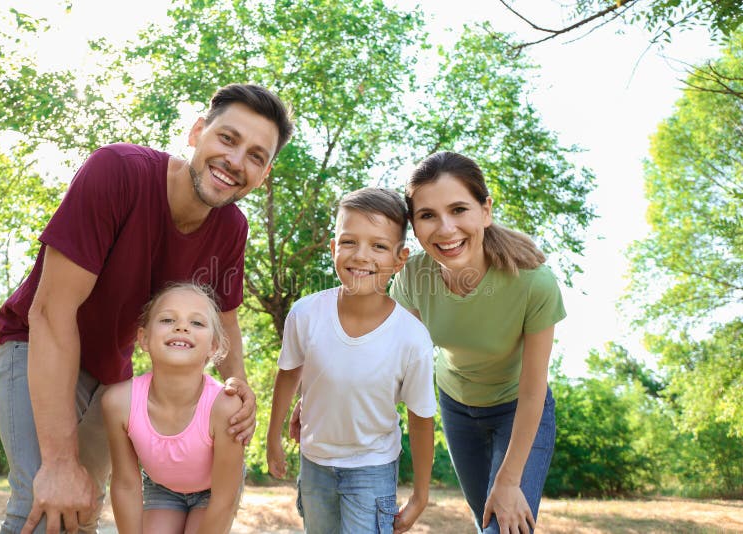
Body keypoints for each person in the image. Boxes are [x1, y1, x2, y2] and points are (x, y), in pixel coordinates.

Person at [0, 83, 294, 534]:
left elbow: (225, 319)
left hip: (111, 375)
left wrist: (238, 387)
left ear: (263, 174)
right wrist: (58, 461)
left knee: (80, 514)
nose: (235, 161)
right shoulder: (117, 171)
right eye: (227, 139)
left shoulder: (231, 227)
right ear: (197, 132)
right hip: (37, 343)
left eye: (255, 156)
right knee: (44, 507)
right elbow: (52, 313)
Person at [389, 152, 566, 534]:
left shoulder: (533, 282)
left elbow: (533, 390)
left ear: (485, 211)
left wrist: (510, 479)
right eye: (428, 215)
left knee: (503, 526)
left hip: (519, 409)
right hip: (457, 408)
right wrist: (323, 398)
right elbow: (391, 364)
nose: (446, 229)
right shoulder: (413, 277)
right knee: (485, 520)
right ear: (414, 227)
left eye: (458, 210)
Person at [267, 187, 437, 534]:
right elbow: (289, 373)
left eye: (378, 246)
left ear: (400, 259)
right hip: (314, 462)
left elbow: (421, 418)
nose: (361, 256)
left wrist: (420, 495)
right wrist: (273, 436)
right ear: (333, 248)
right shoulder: (305, 314)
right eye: (348, 242)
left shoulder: (412, 337)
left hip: (372, 468)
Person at [102, 283, 244, 534]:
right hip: (162, 487)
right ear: (144, 338)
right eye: (167, 319)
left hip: (214, 492)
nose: (182, 327)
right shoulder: (119, 402)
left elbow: (223, 500)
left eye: (197, 323)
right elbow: (125, 484)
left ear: (213, 346)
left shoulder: (225, 406)